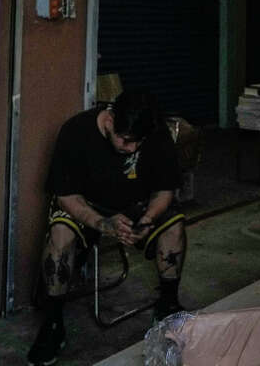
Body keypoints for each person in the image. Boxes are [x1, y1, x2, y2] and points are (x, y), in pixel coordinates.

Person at [28, 91, 186, 366]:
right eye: (125, 140)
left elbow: (165, 190)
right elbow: (65, 196)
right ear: (110, 121)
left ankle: (168, 305)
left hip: (137, 205)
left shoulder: (155, 132)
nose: (132, 148)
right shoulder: (76, 131)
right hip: (88, 205)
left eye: (138, 142)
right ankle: (53, 323)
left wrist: (148, 218)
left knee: (174, 226)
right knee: (60, 233)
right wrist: (102, 223)